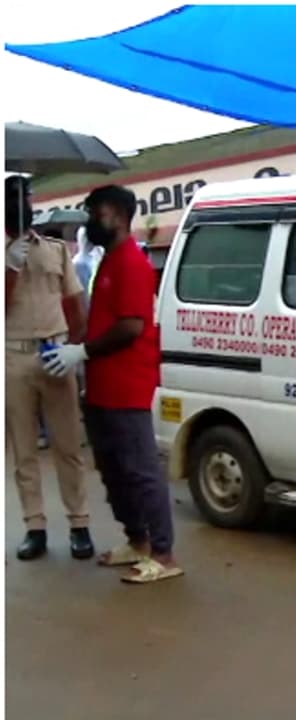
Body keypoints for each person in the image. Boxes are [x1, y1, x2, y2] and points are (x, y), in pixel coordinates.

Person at [41, 184, 182, 584]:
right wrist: (75, 348)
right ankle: (137, 540)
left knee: (140, 470)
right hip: (102, 386)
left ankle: (164, 553)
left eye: (95, 211)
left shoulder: (132, 264)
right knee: (113, 469)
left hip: (127, 385)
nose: (90, 219)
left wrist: (82, 353)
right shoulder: (109, 261)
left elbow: (131, 327)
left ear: (119, 214)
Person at [4, 175, 94, 561]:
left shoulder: (56, 250)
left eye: (26, 196)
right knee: (23, 448)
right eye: (14, 197)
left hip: (55, 351)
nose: (22, 203)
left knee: (68, 444)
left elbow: (75, 302)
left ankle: (79, 524)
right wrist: (9, 266)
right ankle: (34, 526)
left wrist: (77, 347)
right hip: (15, 355)